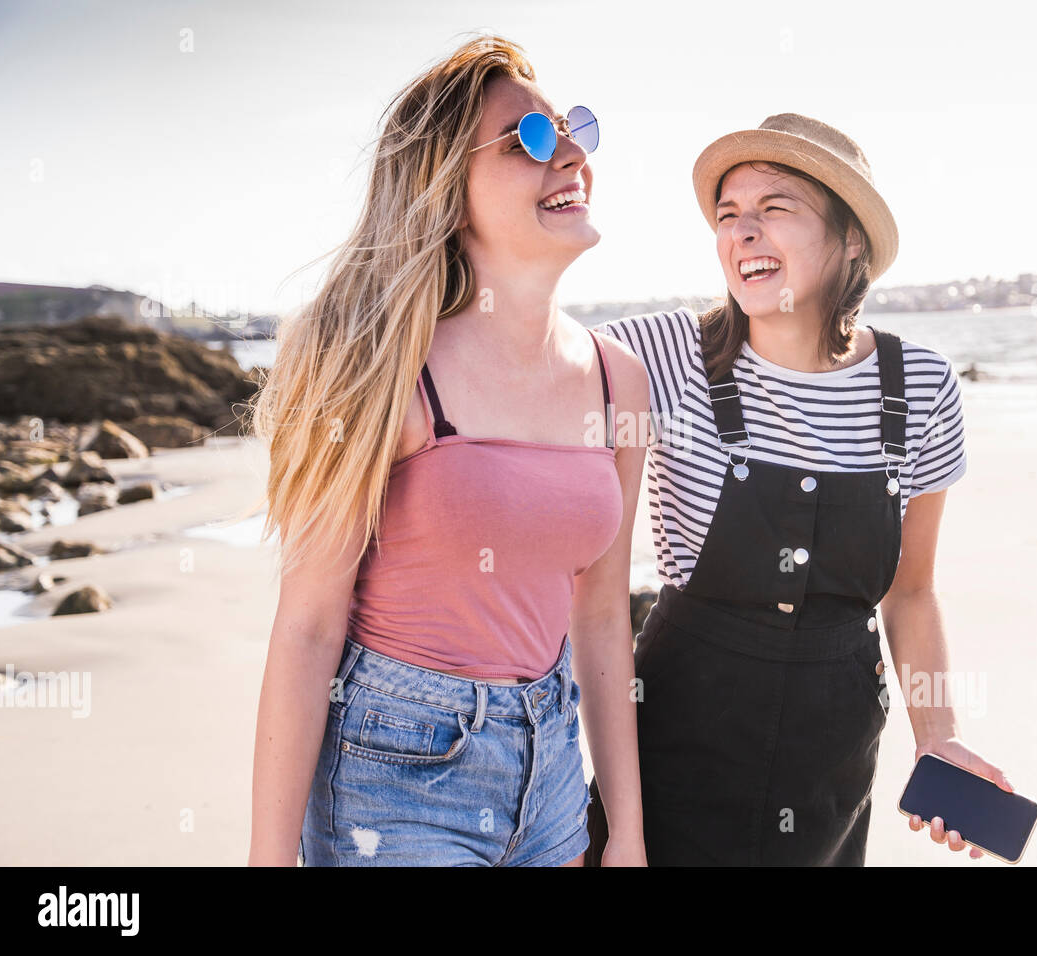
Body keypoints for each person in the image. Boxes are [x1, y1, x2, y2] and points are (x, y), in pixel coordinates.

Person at [244, 34, 648, 867]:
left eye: (570, 128)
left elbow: (603, 615)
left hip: (554, 774)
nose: (569, 152)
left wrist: (628, 833)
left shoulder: (618, 382)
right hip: (394, 778)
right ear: (446, 193)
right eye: (529, 139)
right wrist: (266, 860)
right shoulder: (384, 364)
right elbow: (308, 629)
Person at [588, 113, 1013, 865]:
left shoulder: (920, 385)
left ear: (852, 240)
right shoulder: (659, 354)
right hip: (675, 747)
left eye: (775, 208)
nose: (743, 232)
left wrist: (938, 738)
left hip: (830, 768)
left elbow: (910, 593)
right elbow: (514, 364)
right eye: (728, 215)